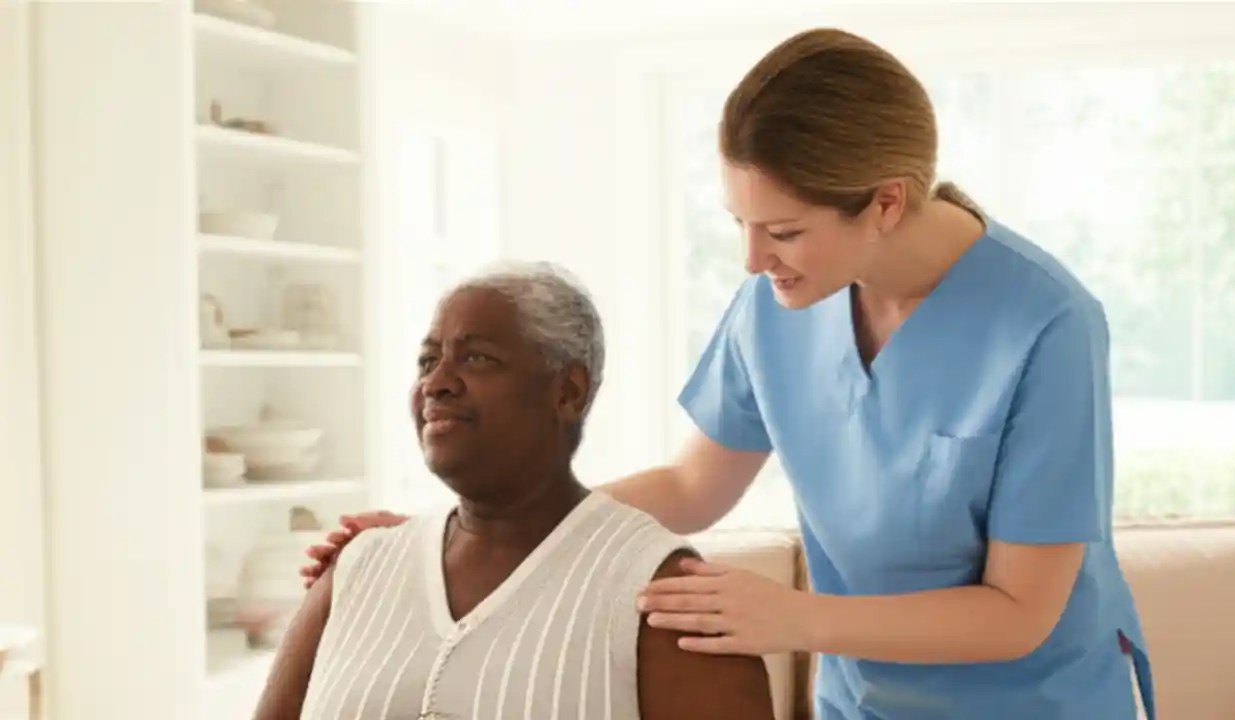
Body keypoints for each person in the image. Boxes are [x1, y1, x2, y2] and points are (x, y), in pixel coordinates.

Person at [304, 28, 1154, 720]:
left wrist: (797, 619)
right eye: (740, 223)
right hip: (864, 705)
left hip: (1041, 703)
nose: (753, 260)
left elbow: (1020, 612)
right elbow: (692, 483)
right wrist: (459, 532)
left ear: (886, 202)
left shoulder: (1047, 325)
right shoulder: (781, 304)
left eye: (782, 231)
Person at [259, 263, 774, 720]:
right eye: (426, 361)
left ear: (567, 391)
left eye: (477, 359)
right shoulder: (357, 569)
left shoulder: (665, 596)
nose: (436, 382)